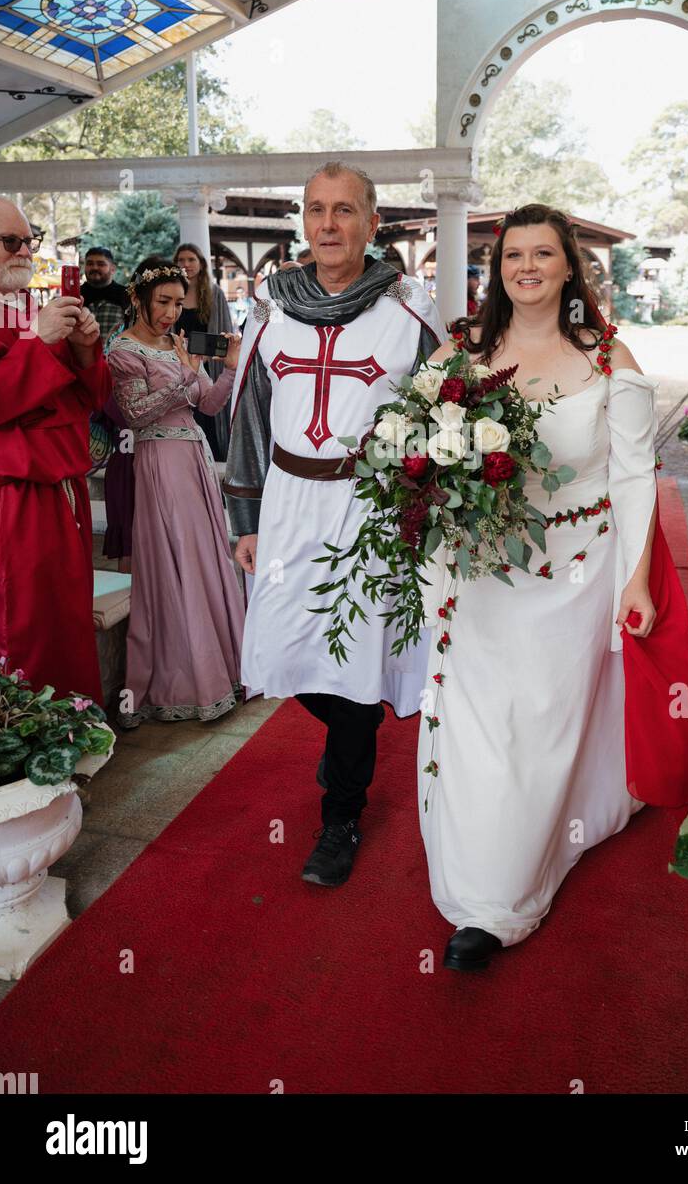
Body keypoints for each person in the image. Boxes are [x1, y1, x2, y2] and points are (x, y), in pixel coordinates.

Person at [417, 204, 688, 971]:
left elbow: (631, 477)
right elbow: (419, 458)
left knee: (543, 721)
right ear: (498, 269)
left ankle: (539, 852)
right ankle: (493, 902)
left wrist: (635, 582)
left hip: (576, 566)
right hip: (481, 569)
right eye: (513, 255)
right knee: (479, 720)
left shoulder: (607, 360)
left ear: (567, 267)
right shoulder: (458, 356)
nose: (526, 267)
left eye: (542, 254)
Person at [224, 161, 445, 887]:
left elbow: (439, 420)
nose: (327, 224)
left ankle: (340, 817)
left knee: (354, 667)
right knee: (282, 646)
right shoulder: (270, 308)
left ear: (373, 224)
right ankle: (351, 742)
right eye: (316, 210)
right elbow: (249, 414)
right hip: (288, 505)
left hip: (368, 509)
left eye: (344, 210)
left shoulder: (408, 313)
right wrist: (246, 515)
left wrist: (422, 515)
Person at [107, 259, 244, 727]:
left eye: (178, 304)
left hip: (194, 461)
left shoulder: (176, 344)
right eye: (163, 302)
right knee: (174, 562)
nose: (171, 313)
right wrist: (186, 373)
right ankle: (181, 681)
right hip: (159, 463)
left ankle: (224, 671)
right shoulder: (122, 350)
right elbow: (136, 415)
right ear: (138, 299)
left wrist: (226, 370)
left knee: (205, 558)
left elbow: (207, 404)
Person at [0, 198, 111, 701]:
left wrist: (86, 352)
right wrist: (37, 345)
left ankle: (69, 745)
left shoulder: (33, 307)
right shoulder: (35, 322)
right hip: (10, 497)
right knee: (22, 631)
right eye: (10, 242)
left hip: (64, 491)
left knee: (65, 621)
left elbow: (90, 399)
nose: (23, 251)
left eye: (29, 240)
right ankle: (23, 764)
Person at [173, 243, 235, 463]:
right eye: (181, 260)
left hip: (208, 366)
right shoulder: (174, 293)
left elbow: (224, 328)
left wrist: (212, 353)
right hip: (177, 365)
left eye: (191, 259)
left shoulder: (214, 292)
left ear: (200, 263)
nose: (186, 264)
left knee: (208, 417)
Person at [80, 246, 130, 348]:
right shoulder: (76, 296)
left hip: (116, 360)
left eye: (101, 264)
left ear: (113, 269)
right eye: (90, 263)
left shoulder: (126, 296)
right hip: (79, 360)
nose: (94, 267)